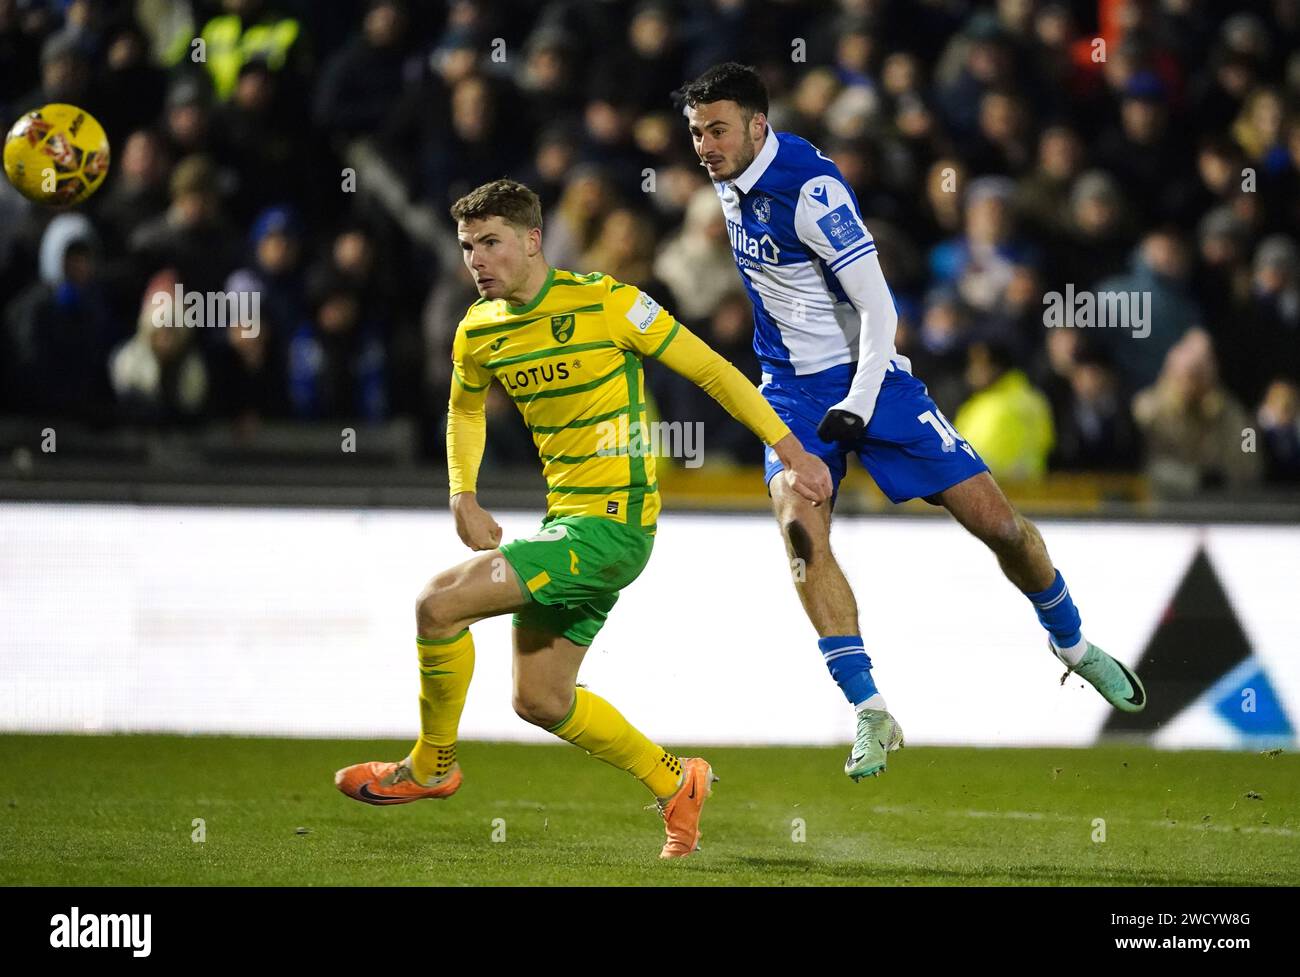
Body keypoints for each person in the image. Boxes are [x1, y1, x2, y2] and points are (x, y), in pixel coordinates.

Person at [676, 62, 1147, 783]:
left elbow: (882, 311)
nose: (704, 146)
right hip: (793, 396)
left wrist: (861, 402)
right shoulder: (727, 177)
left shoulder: (811, 190)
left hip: (875, 383)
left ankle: (1074, 644)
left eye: (716, 129)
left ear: (758, 125)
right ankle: (869, 707)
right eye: (696, 132)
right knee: (799, 529)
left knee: (999, 525)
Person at [335, 179, 832, 858]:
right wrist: (462, 494)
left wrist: (793, 451)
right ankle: (675, 780)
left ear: (533, 240)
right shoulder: (478, 330)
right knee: (538, 697)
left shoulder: (607, 302)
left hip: (614, 527)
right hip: (565, 524)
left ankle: (432, 765)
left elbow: (713, 370)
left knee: (437, 604)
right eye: (466, 247)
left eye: (491, 242)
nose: (476, 260)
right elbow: (465, 408)